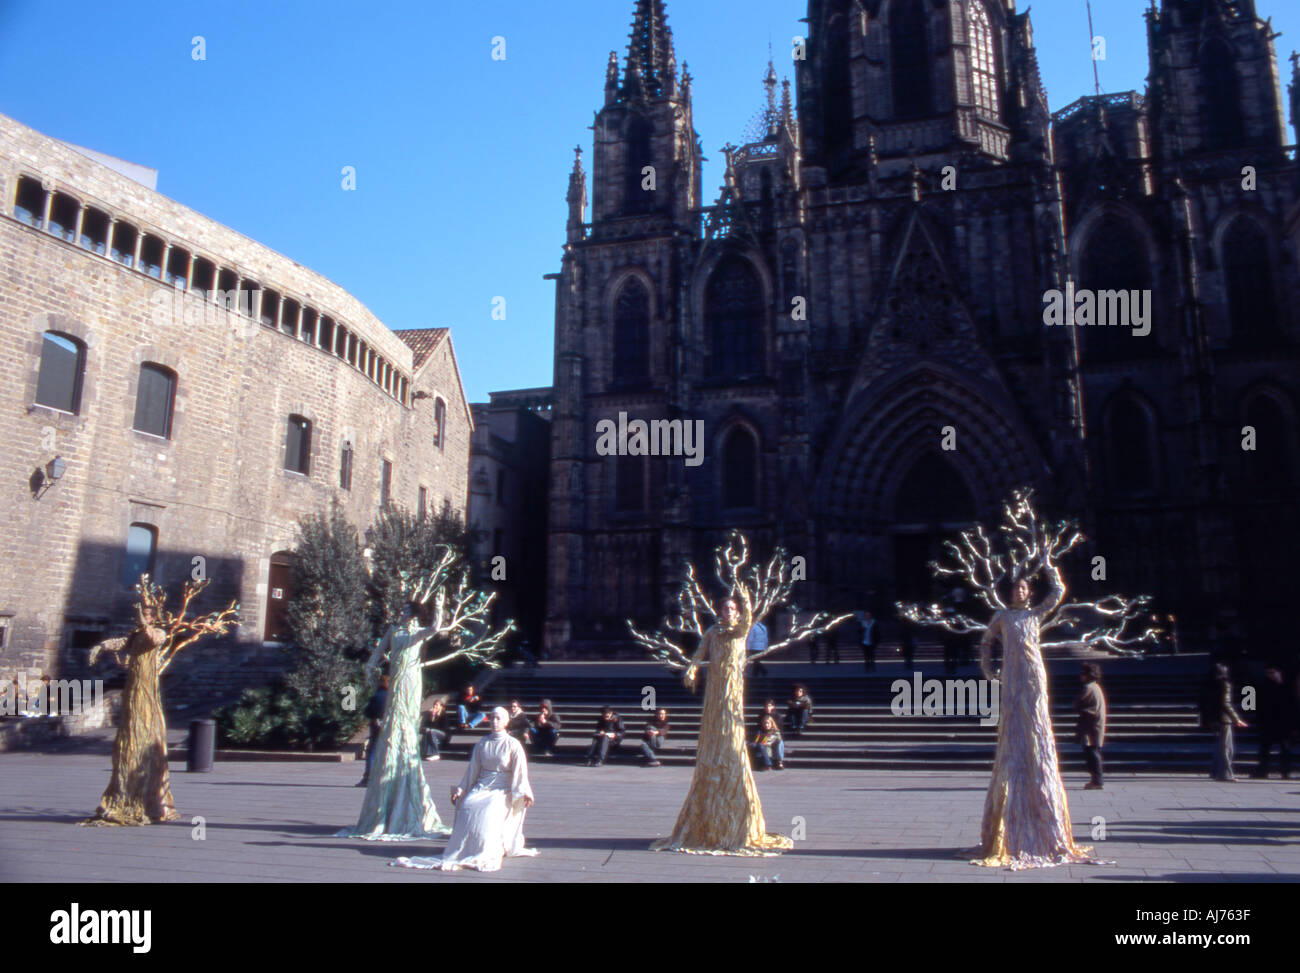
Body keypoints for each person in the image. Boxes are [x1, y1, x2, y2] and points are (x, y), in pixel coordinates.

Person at [968, 563, 1109, 868]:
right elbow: (986, 640)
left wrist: (1048, 567)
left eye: (1022, 588)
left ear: (1028, 592)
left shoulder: (1034, 614)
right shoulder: (1003, 616)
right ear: (1008, 593)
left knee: (1036, 729)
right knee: (1012, 730)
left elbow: (1057, 592)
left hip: (1033, 675)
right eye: (1014, 589)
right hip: (1011, 676)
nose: (1018, 592)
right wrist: (986, 667)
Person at [652, 596, 792, 854]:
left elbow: (748, 616)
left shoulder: (740, 630)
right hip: (715, 691)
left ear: (737, 612)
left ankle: (736, 816)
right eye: (724, 607)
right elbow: (699, 653)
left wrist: (746, 597)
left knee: (731, 735)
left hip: (732, 693)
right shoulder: (713, 632)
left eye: (731, 608)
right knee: (714, 734)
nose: (727, 611)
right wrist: (692, 668)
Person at [337, 602, 452, 841]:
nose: (402, 614)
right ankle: (385, 799)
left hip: (411, 679)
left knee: (405, 720)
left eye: (407, 611)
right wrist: (370, 666)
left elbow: (434, 628)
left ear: (414, 614)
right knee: (393, 721)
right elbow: (379, 651)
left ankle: (405, 790)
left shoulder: (417, 632)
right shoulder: (394, 631)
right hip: (396, 680)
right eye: (402, 611)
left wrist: (439, 607)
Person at [391, 707, 537, 872]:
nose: (494, 722)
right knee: (468, 804)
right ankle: (465, 849)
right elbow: (472, 771)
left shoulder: (513, 744)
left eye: (498, 718)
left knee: (489, 811)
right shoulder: (483, 743)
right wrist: (461, 789)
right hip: (482, 786)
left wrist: (523, 792)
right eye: (492, 718)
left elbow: (520, 772)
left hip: (502, 790)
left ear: (506, 721)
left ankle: (487, 848)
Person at [1207, 662, 1248, 781]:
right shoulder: (1224, 684)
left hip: (1213, 718)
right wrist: (1236, 719)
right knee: (1226, 747)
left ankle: (1215, 771)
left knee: (1218, 746)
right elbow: (1226, 703)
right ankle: (1225, 773)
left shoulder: (1210, 684)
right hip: (1224, 719)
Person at [1250, 668, 1294, 779]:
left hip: (1283, 724)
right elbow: (1252, 701)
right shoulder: (1262, 685)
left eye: (1273, 672)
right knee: (1265, 749)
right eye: (1268, 673)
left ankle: (1285, 772)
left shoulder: (1286, 687)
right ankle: (1263, 771)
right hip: (1267, 722)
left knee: (1285, 749)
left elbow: (1292, 706)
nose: (1270, 675)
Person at [1074, 663, 1106, 789]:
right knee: (1092, 752)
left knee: (1092, 753)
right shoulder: (1095, 687)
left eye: (1083, 673)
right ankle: (1096, 779)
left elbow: (1079, 703)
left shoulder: (1089, 688)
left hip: (1091, 726)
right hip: (1093, 725)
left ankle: (1097, 780)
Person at [358, 671, 390, 786]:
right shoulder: (392, 695)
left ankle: (369, 777)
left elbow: (368, 711)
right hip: (389, 725)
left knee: (372, 750)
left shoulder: (378, 695)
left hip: (376, 725)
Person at [420, 696, 451, 762]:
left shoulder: (444, 714)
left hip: (443, 734)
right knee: (428, 731)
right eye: (434, 705)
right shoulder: (431, 715)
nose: (435, 706)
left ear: (441, 707)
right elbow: (426, 726)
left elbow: (442, 728)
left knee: (431, 731)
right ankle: (427, 753)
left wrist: (434, 716)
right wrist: (431, 716)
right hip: (433, 733)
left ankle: (435, 753)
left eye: (437, 705)